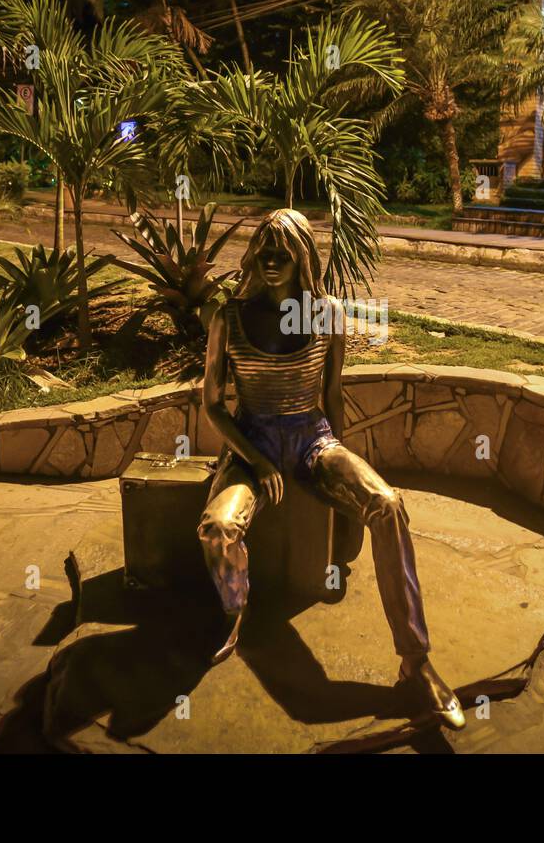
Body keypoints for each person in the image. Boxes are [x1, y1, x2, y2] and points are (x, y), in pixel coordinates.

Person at [197, 208, 465, 729]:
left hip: (311, 438)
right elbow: (212, 404)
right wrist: (251, 460)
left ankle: (416, 661)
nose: (272, 262)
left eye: (284, 253)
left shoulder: (327, 314)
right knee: (217, 528)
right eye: (264, 251)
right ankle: (235, 612)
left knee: (387, 503)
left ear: (303, 258)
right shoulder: (227, 317)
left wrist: (339, 469)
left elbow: (332, 394)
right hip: (253, 442)